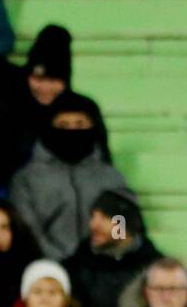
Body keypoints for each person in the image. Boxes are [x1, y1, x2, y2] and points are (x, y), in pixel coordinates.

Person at [0, 24, 109, 198]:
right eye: (38, 78)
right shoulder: (5, 109)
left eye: (54, 80)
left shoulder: (82, 110)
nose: (45, 88)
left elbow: (104, 163)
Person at [9, 90, 133, 261]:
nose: (72, 131)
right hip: (48, 275)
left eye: (80, 124)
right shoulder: (26, 179)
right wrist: (61, 262)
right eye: (63, 125)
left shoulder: (112, 178)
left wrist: (108, 259)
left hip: (103, 270)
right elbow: (27, 230)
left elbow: (122, 226)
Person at [64, 190, 160, 307]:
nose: (93, 225)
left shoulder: (155, 268)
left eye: (104, 217)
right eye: (93, 216)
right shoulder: (76, 265)